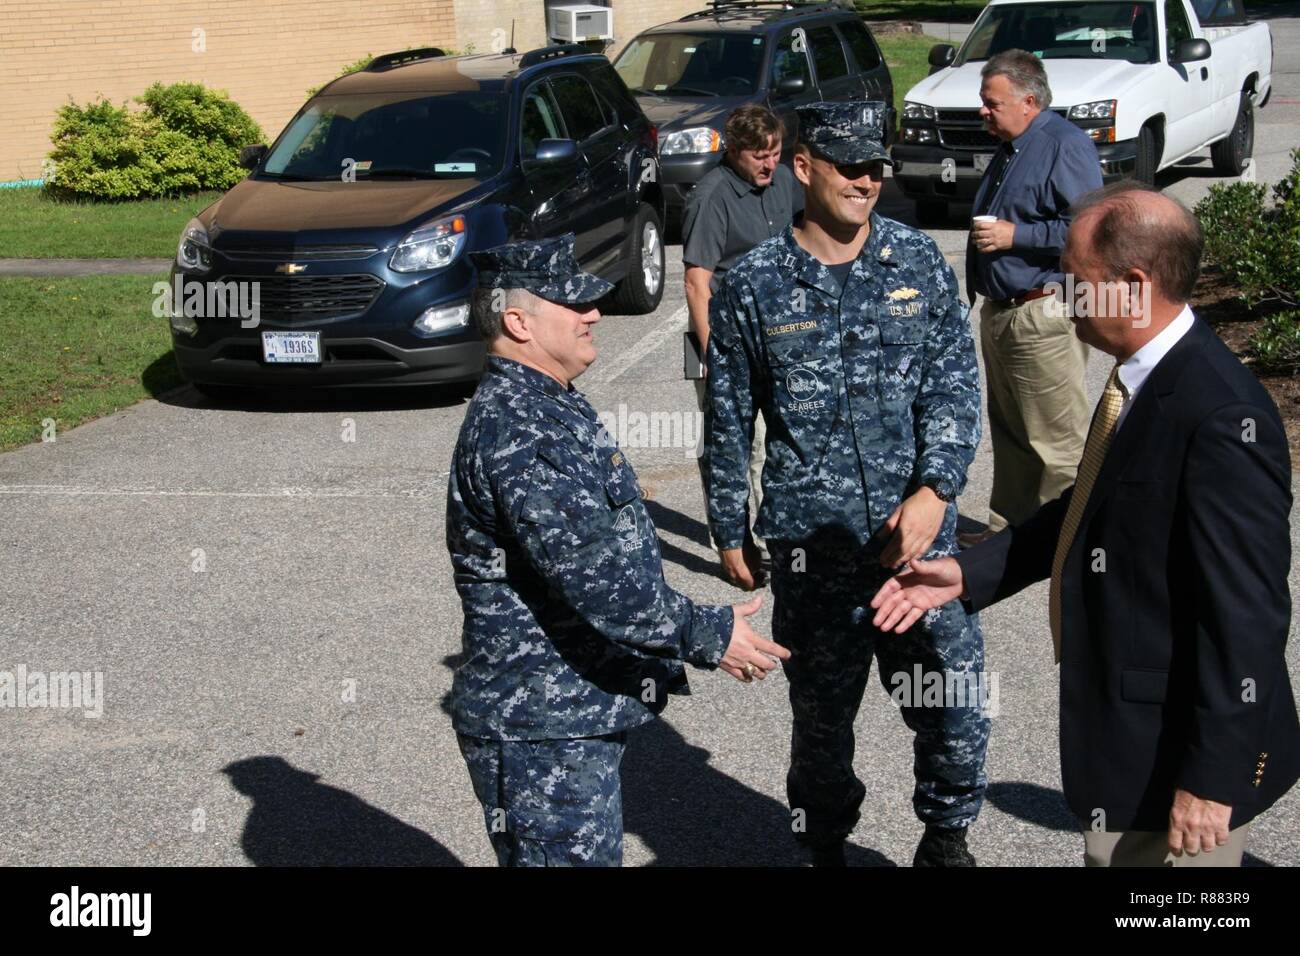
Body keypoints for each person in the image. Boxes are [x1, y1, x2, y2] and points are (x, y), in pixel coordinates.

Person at [871, 184, 1300, 867]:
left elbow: (1245, 615)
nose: (1059, 293)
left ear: (1132, 286)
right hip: (1130, 744)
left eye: (1072, 280)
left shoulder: (1218, 418)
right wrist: (967, 571)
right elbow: (1095, 509)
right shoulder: (1145, 382)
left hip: (1173, 759)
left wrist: (1212, 779)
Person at [705, 102, 990, 867]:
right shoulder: (753, 285)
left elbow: (955, 388)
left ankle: (946, 840)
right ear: (804, 168)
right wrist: (728, 525)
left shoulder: (917, 261)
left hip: (917, 548)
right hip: (812, 549)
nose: (868, 180)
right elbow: (729, 415)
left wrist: (936, 488)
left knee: (954, 699)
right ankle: (824, 844)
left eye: (876, 166)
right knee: (823, 722)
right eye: (849, 166)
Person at [446, 233, 790, 867]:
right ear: (518, 321)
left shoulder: (545, 403)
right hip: (541, 725)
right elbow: (595, 580)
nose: (594, 314)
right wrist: (708, 633)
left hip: (566, 711)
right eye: (572, 304)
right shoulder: (520, 430)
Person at [963, 49, 1102, 545]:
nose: (983, 111)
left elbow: (1090, 228)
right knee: (1012, 432)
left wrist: (1015, 236)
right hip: (1004, 312)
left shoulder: (1065, 145)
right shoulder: (1013, 145)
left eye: (991, 103)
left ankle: (1071, 543)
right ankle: (1010, 534)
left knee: (1054, 441)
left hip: (1043, 310)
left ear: (1029, 100)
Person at [683, 104, 803, 576]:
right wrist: (713, 351)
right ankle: (734, 542)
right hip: (720, 335)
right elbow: (696, 281)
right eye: (759, 156)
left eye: (775, 152)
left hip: (778, 334)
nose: (769, 164)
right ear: (733, 151)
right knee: (732, 443)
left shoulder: (785, 180)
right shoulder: (712, 195)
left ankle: (770, 535)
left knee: (777, 435)